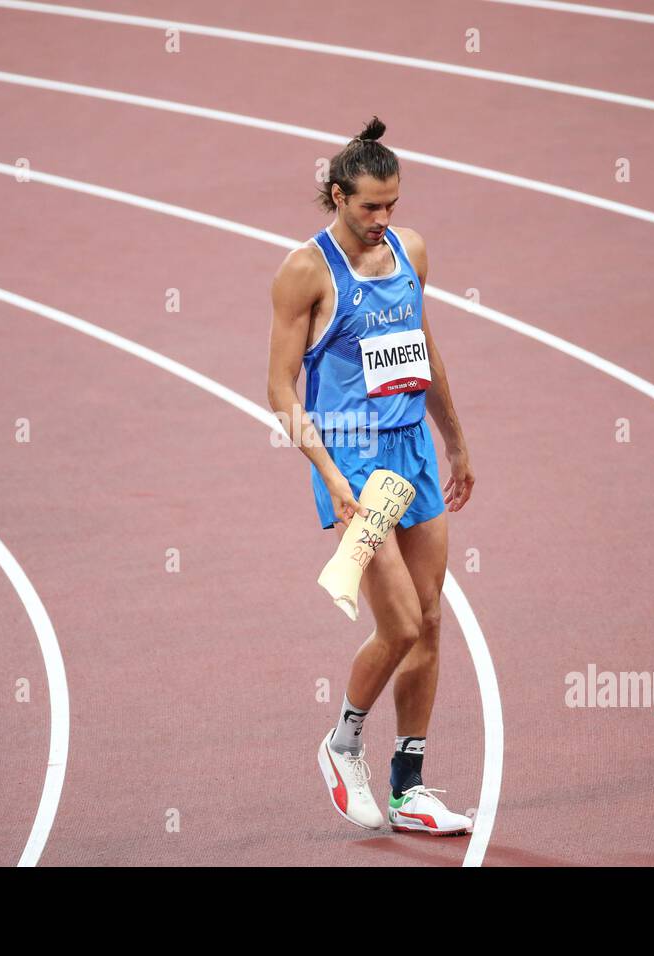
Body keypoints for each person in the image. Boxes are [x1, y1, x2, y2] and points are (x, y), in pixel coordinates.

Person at [266, 116, 476, 835]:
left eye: (393, 204)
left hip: (412, 447)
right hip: (353, 458)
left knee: (432, 621)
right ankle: (342, 743)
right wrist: (329, 473)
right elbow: (280, 391)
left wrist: (456, 443)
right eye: (369, 207)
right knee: (400, 623)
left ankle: (410, 786)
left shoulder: (411, 251)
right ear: (336, 196)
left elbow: (423, 346)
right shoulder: (306, 271)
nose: (384, 219)